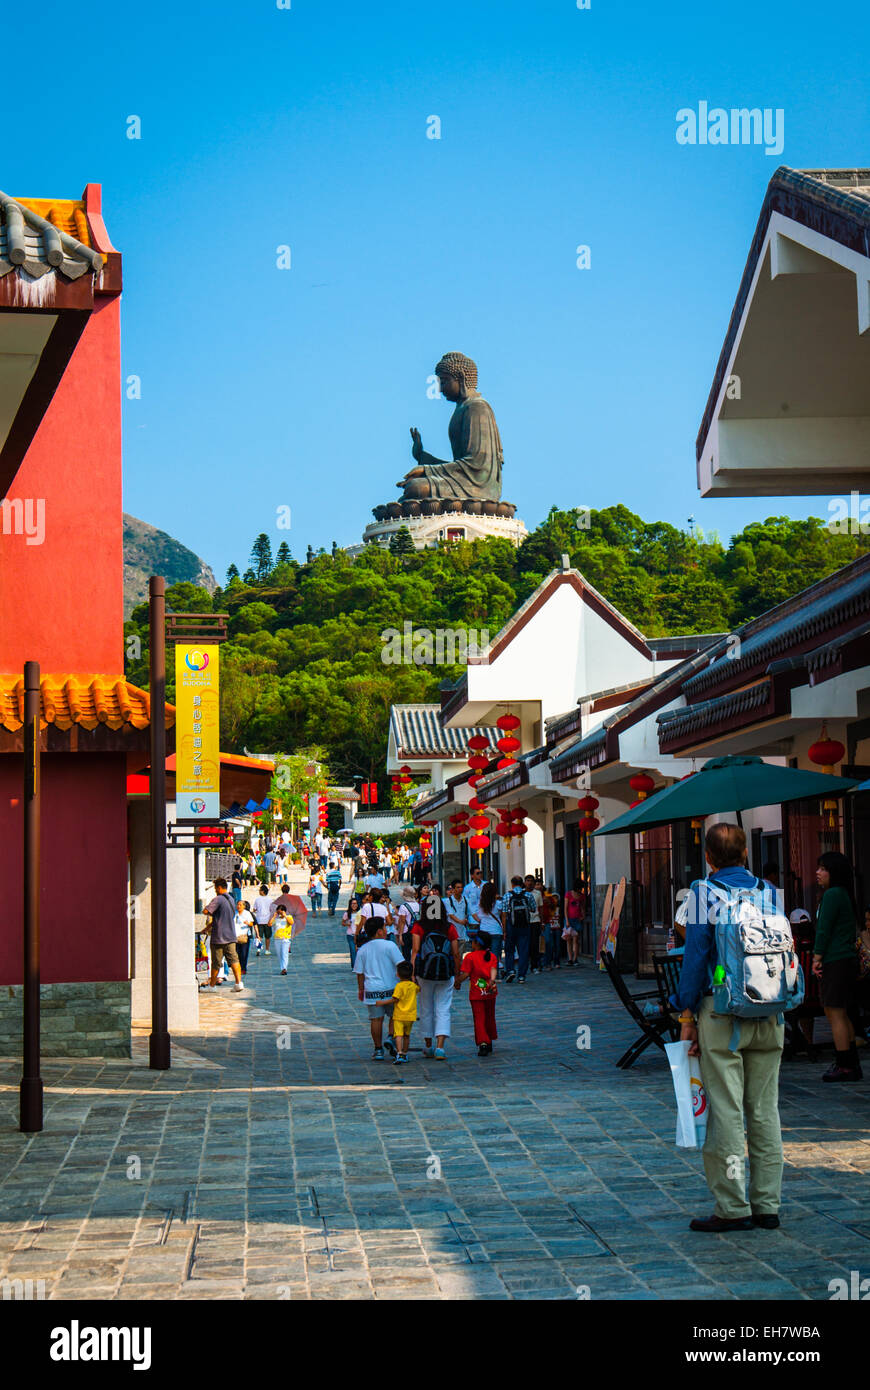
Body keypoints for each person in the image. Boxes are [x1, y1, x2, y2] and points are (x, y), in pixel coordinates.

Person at [671, 822, 784, 1233]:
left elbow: (696, 959)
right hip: (770, 1010)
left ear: (708, 858)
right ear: (746, 855)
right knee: (765, 1109)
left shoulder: (703, 893)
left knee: (727, 1111)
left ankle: (733, 1208)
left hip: (721, 1012)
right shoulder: (770, 891)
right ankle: (767, 1205)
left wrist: (686, 1013)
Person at [813, 852, 862, 1081]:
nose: (818, 873)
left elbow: (824, 930)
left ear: (834, 872)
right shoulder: (843, 894)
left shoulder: (832, 895)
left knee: (835, 1012)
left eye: (823, 868)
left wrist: (816, 957)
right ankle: (850, 1061)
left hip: (835, 959)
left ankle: (844, 1064)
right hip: (845, 959)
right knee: (841, 1011)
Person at [411, 888, 461, 1059]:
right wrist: (457, 973)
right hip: (445, 971)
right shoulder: (449, 927)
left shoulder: (419, 926)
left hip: (425, 971)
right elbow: (455, 953)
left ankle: (428, 1045)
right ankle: (441, 1046)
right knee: (443, 1008)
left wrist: (412, 972)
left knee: (426, 1007)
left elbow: (416, 950)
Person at [354, 919, 404, 1060]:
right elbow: (401, 965)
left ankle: (378, 1049)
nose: (386, 929)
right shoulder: (390, 946)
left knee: (376, 1020)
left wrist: (361, 989)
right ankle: (390, 1037)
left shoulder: (363, 949)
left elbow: (360, 973)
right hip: (392, 988)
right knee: (395, 1017)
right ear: (379, 931)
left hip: (372, 989)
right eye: (385, 927)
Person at [457, 930, 499, 1055]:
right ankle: (490, 1039)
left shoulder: (470, 957)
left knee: (479, 1018)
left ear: (477, 943)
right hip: (491, 991)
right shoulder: (492, 956)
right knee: (490, 1016)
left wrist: (457, 982)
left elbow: (465, 974)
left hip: (476, 993)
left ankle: (483, 1042)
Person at [203, 878, 244, 992]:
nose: (215, 890)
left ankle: (212, 986)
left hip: (218, 937)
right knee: (234, 960)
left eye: (216, 888)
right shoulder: (231, 899)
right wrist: (207, 928)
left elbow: (206, 911)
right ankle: (238, 983)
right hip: (231, 935)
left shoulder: (218, 899)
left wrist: (209, 904)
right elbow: (221, 918)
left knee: (216, 962)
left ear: (219, 887)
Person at [501, 876, 537, 983]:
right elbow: (533, 909)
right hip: (525, 926)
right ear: (522, 884)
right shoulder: (528, 895)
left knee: (509, 950)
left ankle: (510, 970)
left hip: (511, 925)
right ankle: (521, 975)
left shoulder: (507, 895)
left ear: (512, 884)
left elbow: (504, 914)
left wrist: (504, 930)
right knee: (523, 951)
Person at [390, 961, 420, 1064]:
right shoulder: (413, 986)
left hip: (399, 1015)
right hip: (410, 1016)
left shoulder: (399, 986)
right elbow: (418, 989)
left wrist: (382, 1002)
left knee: (398, 1035)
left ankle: (399, 1053)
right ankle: (405, 1054)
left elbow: (395, 998)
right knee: (407, 1035)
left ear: (398, 974)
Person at [472, 881, 503, 970]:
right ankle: (495, 976)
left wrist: (480, 921)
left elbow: (475, 914)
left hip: (484, 932)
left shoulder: (480, 904)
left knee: (483, 955)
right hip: (496, 931)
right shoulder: (498, 904)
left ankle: (484, 973)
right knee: (495, 955)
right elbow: (502, 915)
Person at [525, 875, 545, 974]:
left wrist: (542, 922)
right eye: (528, 881)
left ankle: (534, 965)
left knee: (535, 944)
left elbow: (540, 908)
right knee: (525, 944)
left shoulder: (538, 894)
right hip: (525, 922)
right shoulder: (522, 893)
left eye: (531, 881)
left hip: (535, 921)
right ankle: (525, 964)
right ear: (525, 882)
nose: (529, 883)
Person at [563, 879, 584, 965]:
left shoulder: (582, 896)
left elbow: (582, 907)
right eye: (580, 888)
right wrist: (567, 920)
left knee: (576, 939)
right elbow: (566, 908)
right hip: (569, 919)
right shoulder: (568, 894)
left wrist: (583, 915)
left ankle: (575, 958)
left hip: (577, 919)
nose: (581, 890)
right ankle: (570, 958)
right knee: (568, 939)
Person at [234, 898, 256, 975]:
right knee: (236, 952)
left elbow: (252, 923)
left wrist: (247, 923)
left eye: (240, 905)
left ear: (244, 906)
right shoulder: (235, 913)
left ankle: (243, 968)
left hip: (244, 936)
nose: (238, 906)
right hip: (235, 936)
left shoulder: (247, 913)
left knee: (244, 953)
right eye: (238, 904)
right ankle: (238, 967)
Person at [543, 884, 562, 970]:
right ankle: (548, 962)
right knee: (550, 945)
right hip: (549, 927)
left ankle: (557, 962)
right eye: (553, 898)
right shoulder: (547, 909)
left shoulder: (558, 908)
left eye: (556, 898)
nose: (554, 900)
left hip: (557, 928)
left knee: (557, 946)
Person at [270, 904, 293, 974]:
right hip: (277, 938)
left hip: (285, 938)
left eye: (280, 912)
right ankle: (282, 967)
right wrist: (274, 916)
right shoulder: (276, 919)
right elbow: (269, 924)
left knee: (284, 953)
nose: (279, 914)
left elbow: (291, 922)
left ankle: (284, 968)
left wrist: (285, 915)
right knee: (279, 954)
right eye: (278, 912)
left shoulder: (289, 917)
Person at [251, 883, 273, 954]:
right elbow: (271, 909)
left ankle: (259, 949)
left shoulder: (257, 899)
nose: (259, 891)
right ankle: (267, 950)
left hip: (259, 920)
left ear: (263, 891)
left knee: (259, 936)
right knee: (267, 936)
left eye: (260, 890)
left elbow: (254, 909)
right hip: (267, 920)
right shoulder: (270, 900)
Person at [343, 896, 363, 968]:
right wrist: (347, 924)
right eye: (352, 904)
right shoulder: (347, 913)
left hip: (359, 934)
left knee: (359, 951)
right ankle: (355, 966)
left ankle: (358, 965)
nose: (354, 905)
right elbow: (343, 923)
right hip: (350, 934)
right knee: (353, 950)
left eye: (355, 903)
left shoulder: (361, 912)